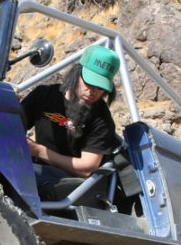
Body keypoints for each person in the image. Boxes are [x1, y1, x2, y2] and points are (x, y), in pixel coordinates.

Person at [21, 44, 120, 200]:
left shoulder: (102, 119)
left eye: (99, 87)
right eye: (89, 82)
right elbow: (10, 127)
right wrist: (6, 103)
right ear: (77, 72)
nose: (92, 91)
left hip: (72, 182)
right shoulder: (44, 95)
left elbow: (86, 168)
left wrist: (38, 151)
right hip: (36, 168)